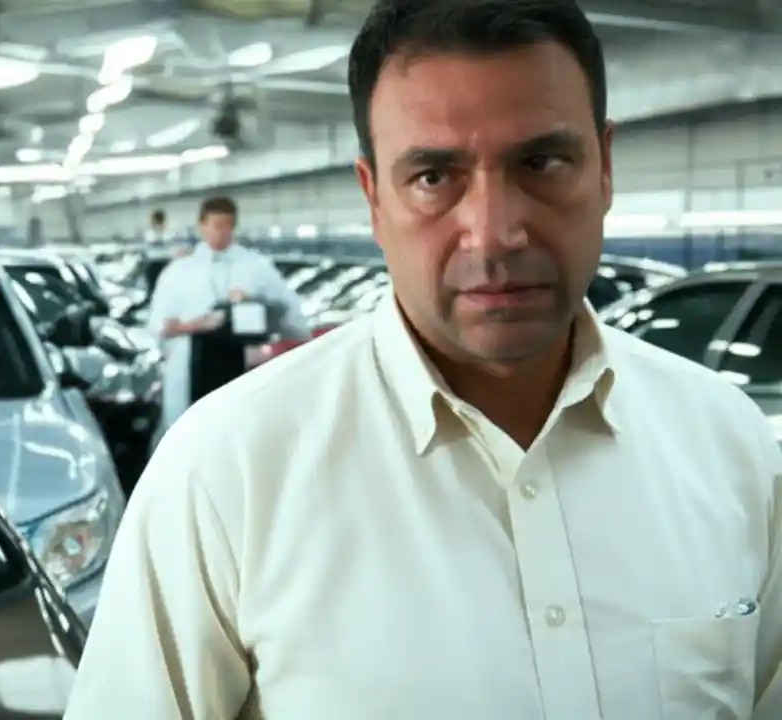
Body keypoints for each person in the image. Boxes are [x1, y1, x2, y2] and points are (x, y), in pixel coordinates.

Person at [65, 1, 782, 718]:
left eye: (542, 162)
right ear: (375, 199)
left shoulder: (731, 448)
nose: (494, 232)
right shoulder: (228, 471)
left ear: (604, 171)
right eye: (435, 177)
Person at [145, 196, 308, 437]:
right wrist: (194, 326)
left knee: (240, 433)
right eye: (215, 226)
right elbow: (159, 324)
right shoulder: (179, 271)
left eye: (227, 226)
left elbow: (288, 314)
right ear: (201, 226)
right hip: (191, 367)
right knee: (193, 434)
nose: (221, 233)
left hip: (242, 364)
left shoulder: (256, 266)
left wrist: (253, 304)